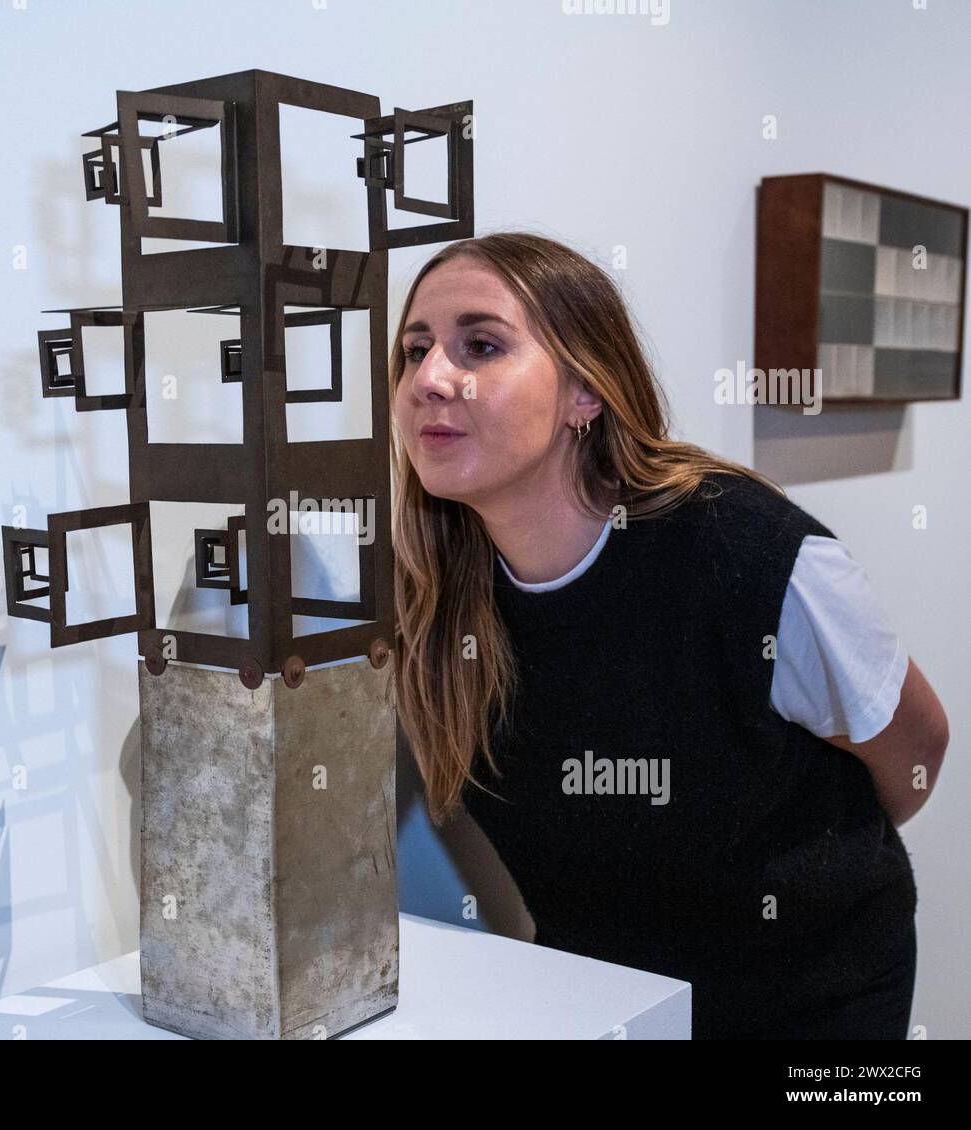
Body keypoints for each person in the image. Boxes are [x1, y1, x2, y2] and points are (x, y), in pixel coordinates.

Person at [389, 230, 949, 1040]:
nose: (430, 379)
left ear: (586, 390)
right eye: (414, 351)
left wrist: (810, 869)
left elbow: (916, 750)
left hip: (815, 999)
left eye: (481, 345)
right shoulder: (434, 591)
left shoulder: (748, 555)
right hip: (612, 1004)